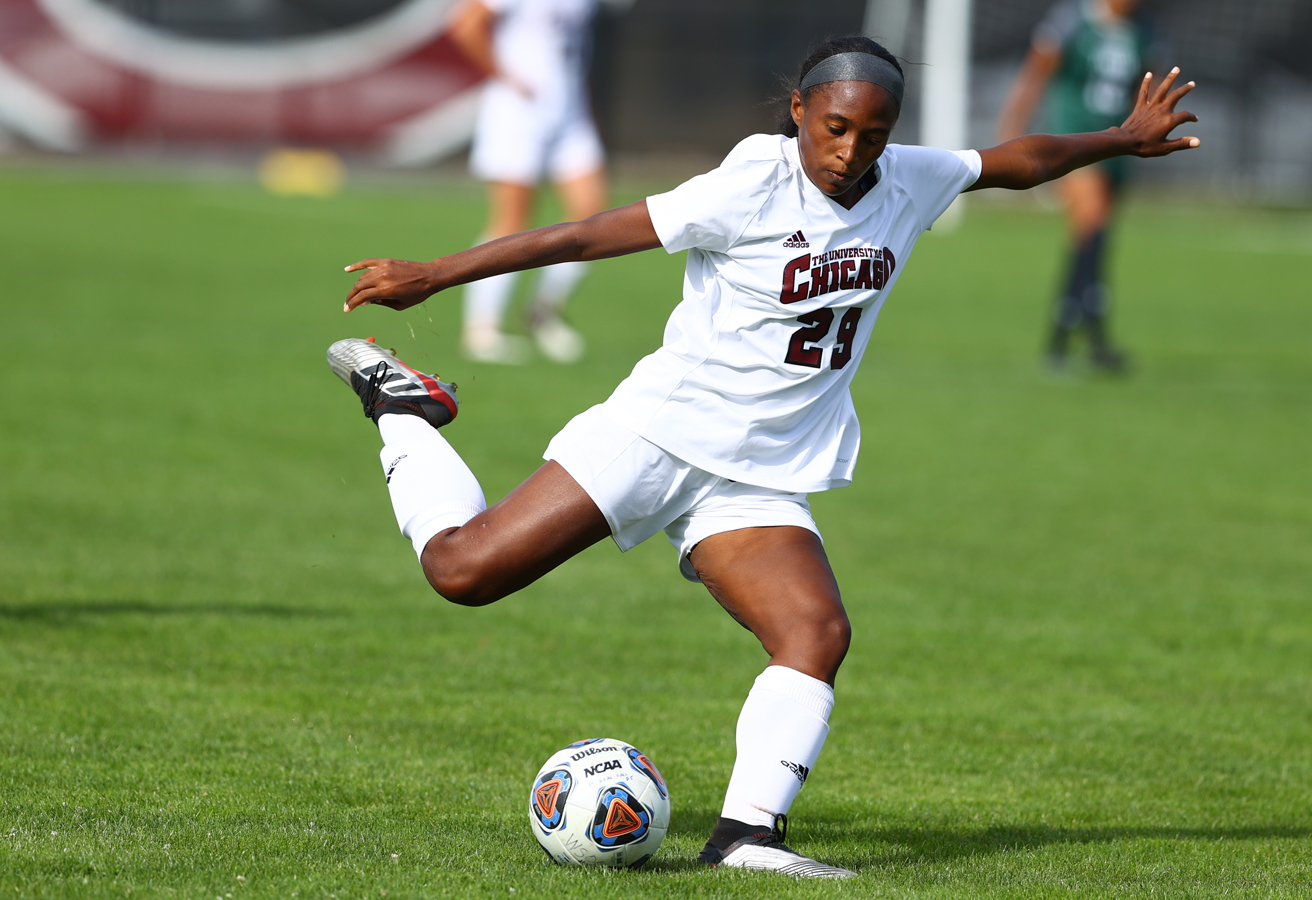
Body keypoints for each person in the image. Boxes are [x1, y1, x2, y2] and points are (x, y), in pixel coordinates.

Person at [328, 35, 1197, 876]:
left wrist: (1118, 139)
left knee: (814, 633)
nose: (852, 150)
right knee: (461, 572)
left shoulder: (908, 181)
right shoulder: (753, 182)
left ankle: (746, 836)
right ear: (800, 110)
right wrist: (437, 274)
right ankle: (405, 410)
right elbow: (588, 235)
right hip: (660, 434)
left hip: (759, 474)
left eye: (874, 132)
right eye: (836, 126)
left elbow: (1015, 159)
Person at [997, 0, 1157, 373]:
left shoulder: (1144, 29)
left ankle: (1063, 332)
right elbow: (1036, 73)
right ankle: (1094, 335)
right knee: (1092, 224)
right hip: (1074, 141)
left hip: (1119, 143)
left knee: (1094, 236)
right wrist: (1012, 125)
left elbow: (1146, 86)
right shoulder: (1072, 22)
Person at [446, 0, 608, 364]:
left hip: (570, 112)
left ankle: (542, 311)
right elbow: (465, 24)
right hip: (519, 111)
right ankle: (481, 329)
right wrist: (508, 78)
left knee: (594, 218)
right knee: (512, 220)